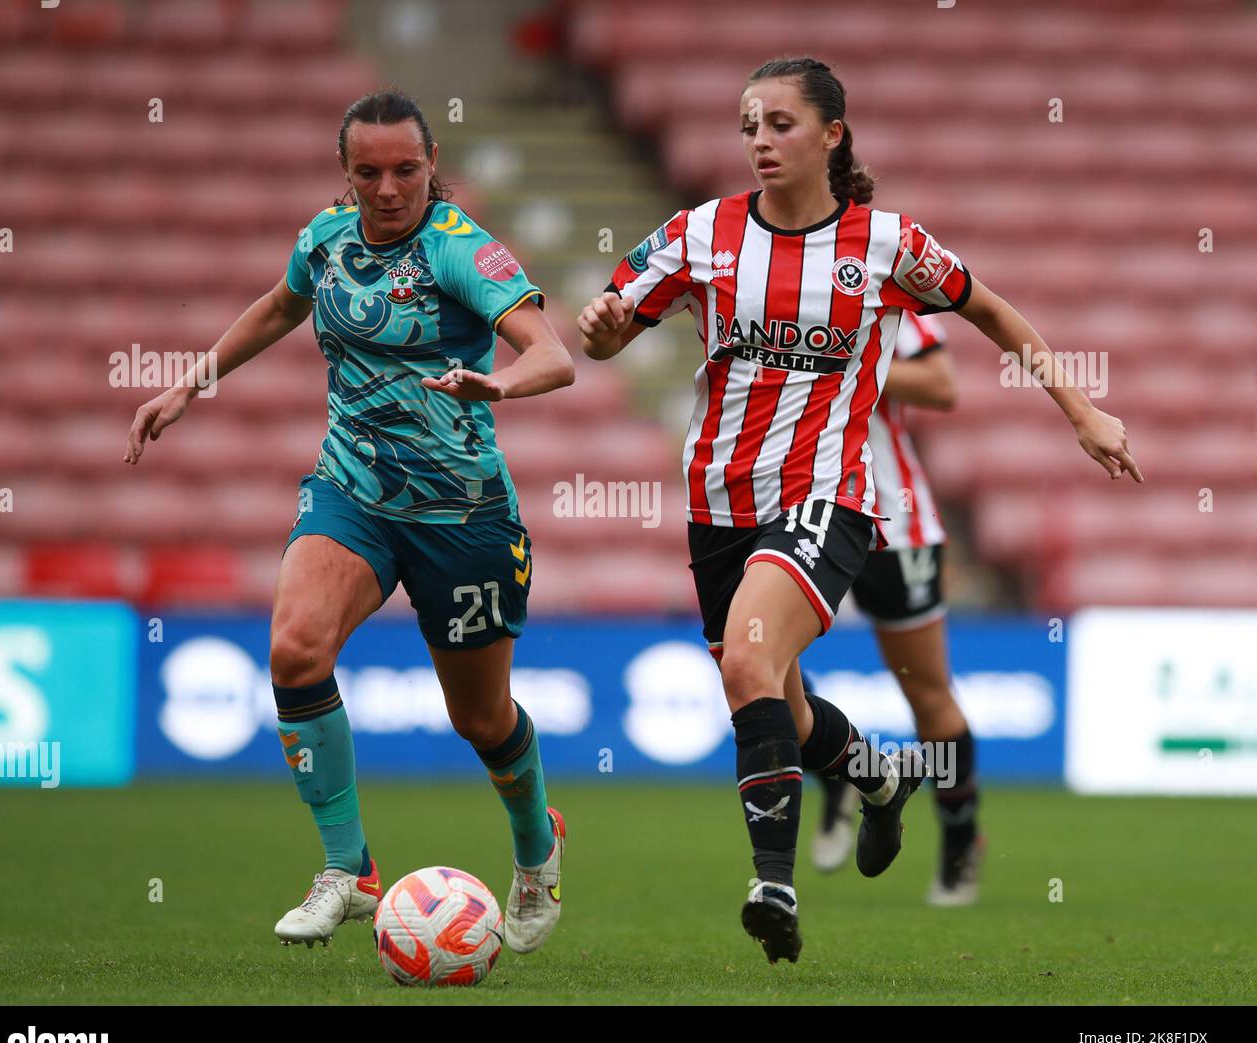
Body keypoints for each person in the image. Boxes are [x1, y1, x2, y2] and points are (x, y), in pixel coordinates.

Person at [578, 57, 1140, 964]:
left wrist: (1081, 409)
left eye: (781, 124)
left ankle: (774, 883)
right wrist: (601, 332)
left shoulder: (883, 245)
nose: (760, 140)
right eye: (749, 125)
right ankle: (877, 780)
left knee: (749, 663)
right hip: (718, 505)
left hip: (827, 499)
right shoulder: (699, 233)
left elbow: (991, 313)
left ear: (832, 135)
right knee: (776, 703)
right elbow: (605, 324)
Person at [125, 89, 575, 954]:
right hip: (353, 489)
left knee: (481, 722)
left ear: (431, 164)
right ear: (345, 172)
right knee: (295, 649)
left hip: (462, 513)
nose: (387, 188)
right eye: (367, 171)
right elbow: (279, 307)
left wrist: (501, 384)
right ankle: (349, 871)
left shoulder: (461, 253)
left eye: (406, 169)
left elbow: (552, 355)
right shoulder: (326, 237)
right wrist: (190, 380)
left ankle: (536, 849)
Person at [809, 310, 985, 907]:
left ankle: (961, 837)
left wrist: (855, 357)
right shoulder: (755, 274)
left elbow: (943, 385)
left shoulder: (878, 292)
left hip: (891, 518)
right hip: (795, 508)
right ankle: (845, 772)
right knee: (752, 654)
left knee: (927, 694)